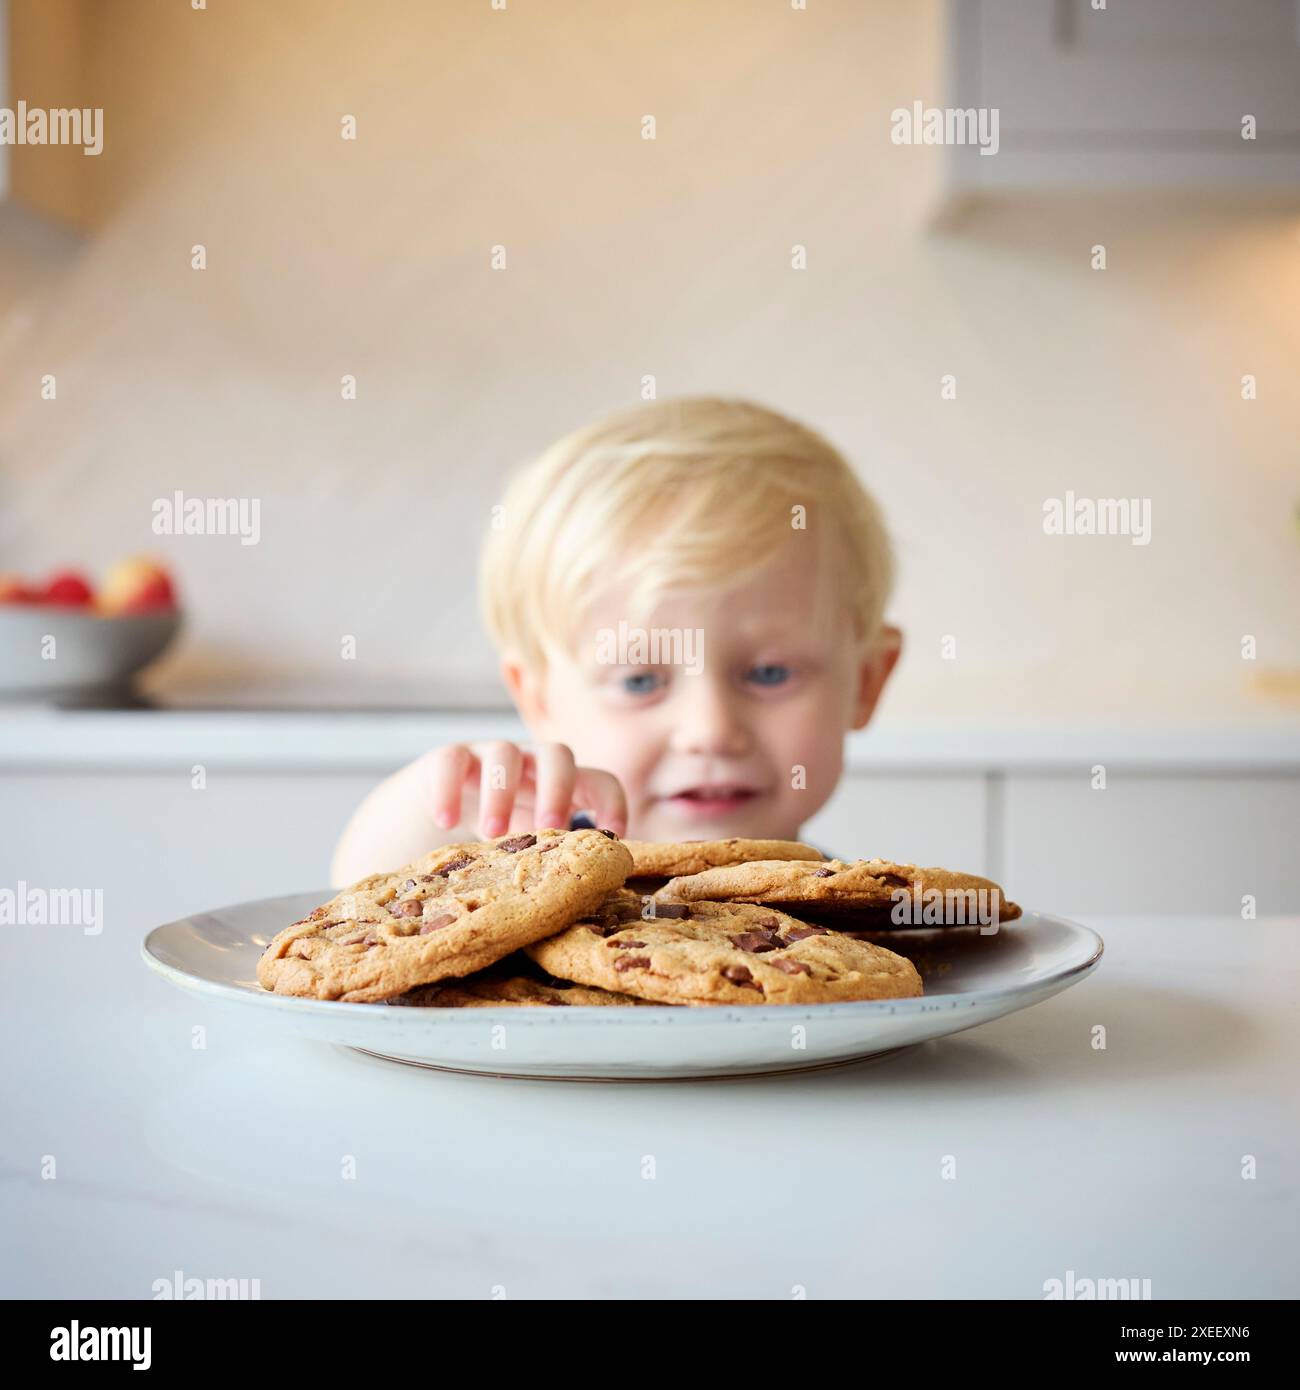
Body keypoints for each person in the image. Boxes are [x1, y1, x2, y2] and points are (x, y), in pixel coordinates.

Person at [331, 396, 900, 886]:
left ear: (867, 682)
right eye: (640, 680)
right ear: (538, 700)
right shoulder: (526, 877)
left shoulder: (860, 919)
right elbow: (361, 900)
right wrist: (437, 806)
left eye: (770, 673)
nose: (710, 731)